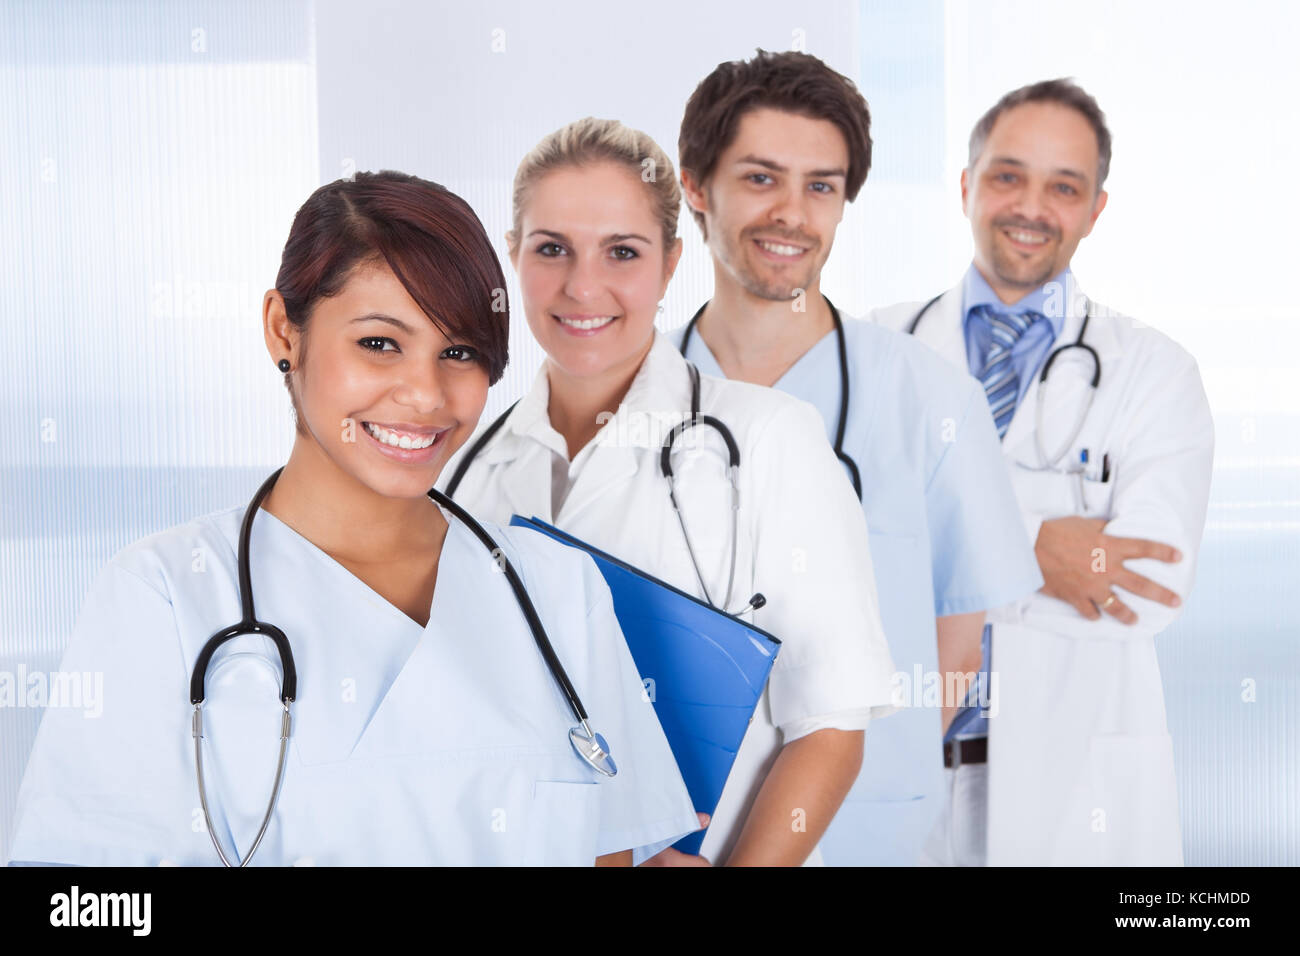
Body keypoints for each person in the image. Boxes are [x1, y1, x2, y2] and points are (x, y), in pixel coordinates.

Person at [7, 171, 699, 867]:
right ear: (285, 330)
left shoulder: (555, 588)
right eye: (379, 343)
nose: (426, 395)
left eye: (458, 353)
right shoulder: (164, 593)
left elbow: (611, 850)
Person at [441, 118, 897, 866]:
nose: (583, 286)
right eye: (551, 248)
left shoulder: (768, 441)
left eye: (622, 252)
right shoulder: (465, 476)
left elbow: (832, 727)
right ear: (514, 259)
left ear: (670, 263)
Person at [673, 49, 1042, 865]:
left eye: (822, 186)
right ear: (696, 187)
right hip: (674, 838)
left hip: (866, 833)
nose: (792, 215)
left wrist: (888, 765)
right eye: (761, 178)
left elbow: (955, 647)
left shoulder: (928, 395)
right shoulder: (637, 398)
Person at [869, 79, 1214, 866]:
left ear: (1095, 210)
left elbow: (1141, 588)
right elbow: (834, 553)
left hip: (1073, 787)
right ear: (965, 186)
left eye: (1064, 187)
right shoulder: (869, 352)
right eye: (1007, 176)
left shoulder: (1154, 373)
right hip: (891, 770)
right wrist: (1040, 550)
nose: (1031, 205)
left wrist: (936, 549)